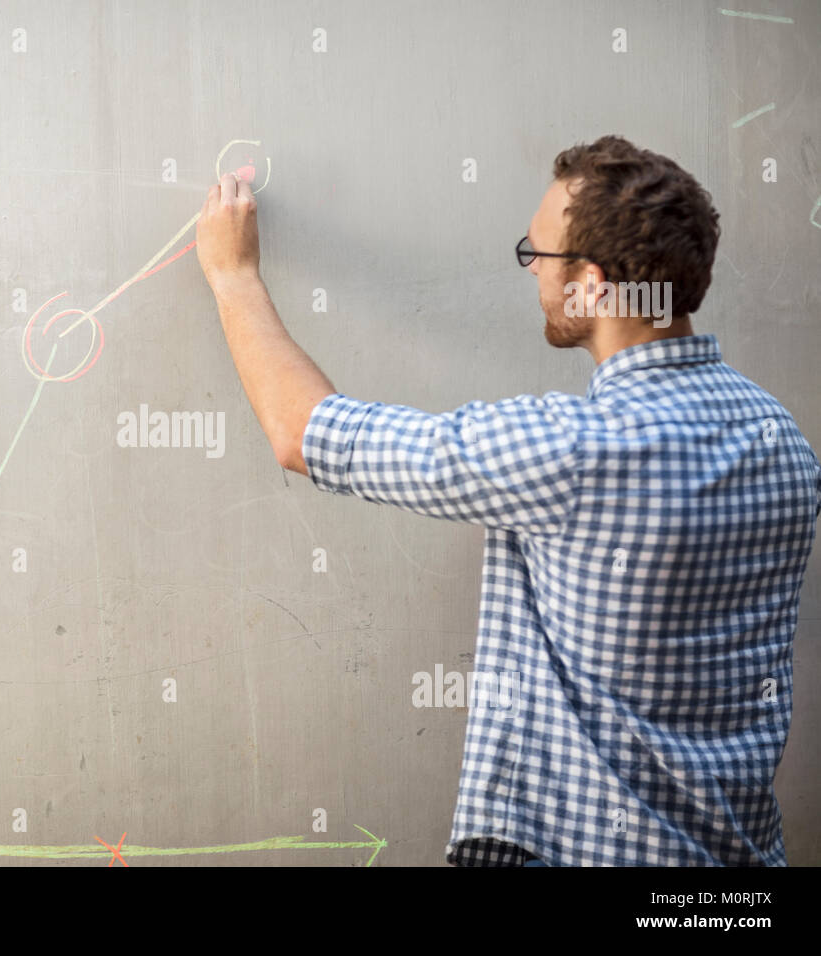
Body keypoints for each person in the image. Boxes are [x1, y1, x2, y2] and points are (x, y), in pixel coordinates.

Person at [194, 134, 820, 866]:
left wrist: (233, 276)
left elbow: (305, 434)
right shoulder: (783, 439)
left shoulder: (567, 449)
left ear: (588, 282)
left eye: (538, 256)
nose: (533, 275)